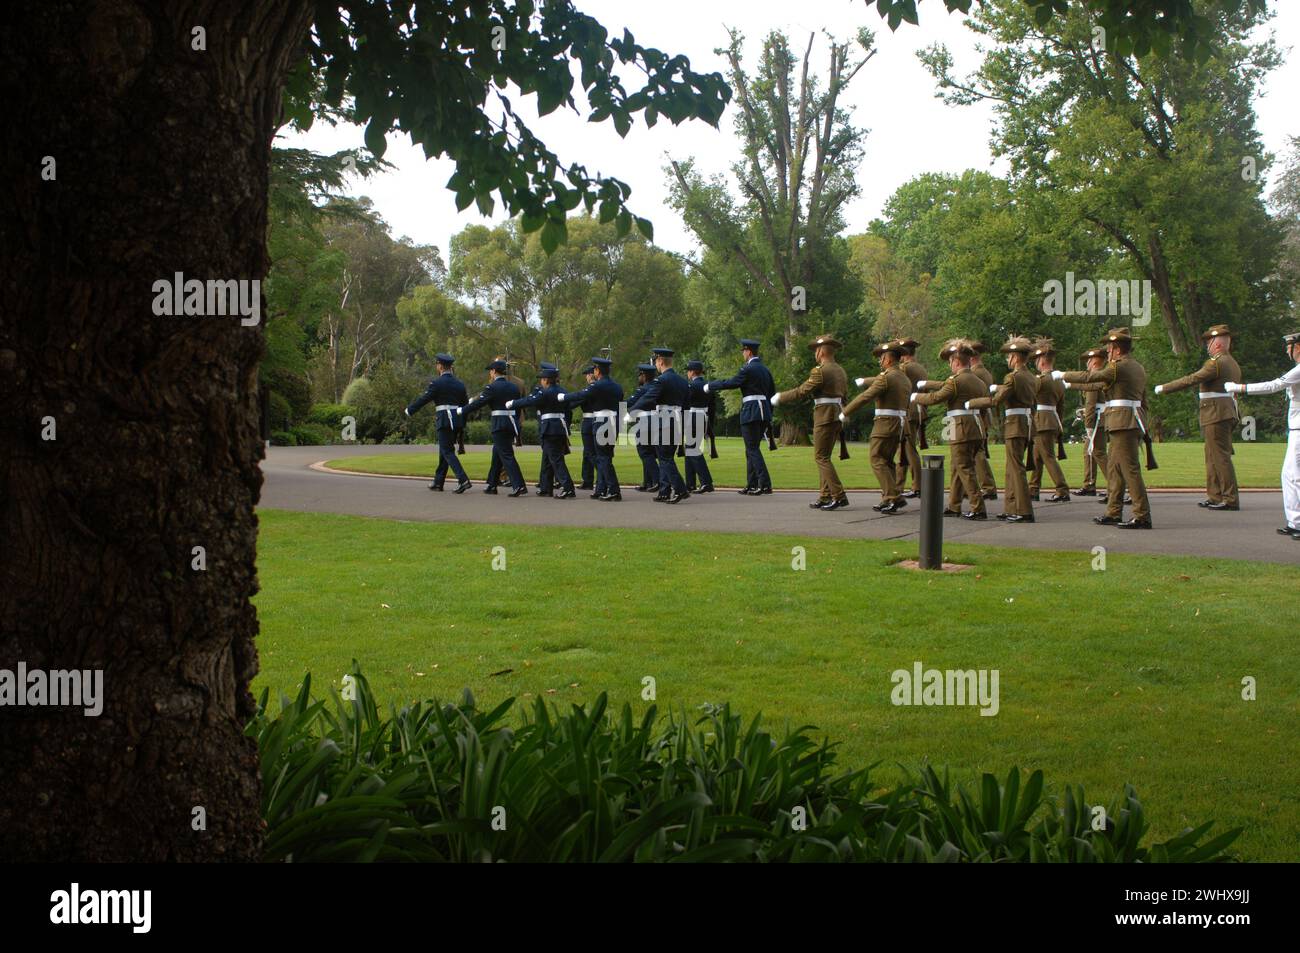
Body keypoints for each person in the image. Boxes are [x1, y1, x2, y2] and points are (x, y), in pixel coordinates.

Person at [1056, 327, 1152, 529]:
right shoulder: (1136, 367)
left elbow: (1091, 377)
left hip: (1124, 422)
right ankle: (1113, 512)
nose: (1107, 352)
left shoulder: (1118, 367)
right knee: (1114, 470)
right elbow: (1098, 386)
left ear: (1117, 349)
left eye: (1109, 348)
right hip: (1126, 422)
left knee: (1129, 470)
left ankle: (1142, 515)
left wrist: (1063, 374)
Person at [1154, 324, 1242, 511]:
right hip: (1221, 411)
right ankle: (1215, 495)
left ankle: (1229, 498)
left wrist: (1165, 388)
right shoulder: (1231, 362)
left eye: (1209, 342)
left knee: (1220, 457)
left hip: (1216, 413)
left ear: (1217, 344)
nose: (1207, 346)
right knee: (1212, 456)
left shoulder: (1216, 363)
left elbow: (1193, 379)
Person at [1224, 330, 1300, 539]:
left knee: (1295, 475)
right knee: (1289, 475)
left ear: (1298, 347)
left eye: (1289, 346)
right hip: (1295, 428)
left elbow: (1274, 385)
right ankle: (1295, 521)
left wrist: (1238, 387)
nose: (1287, 350)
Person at [913, 339, 988, 519]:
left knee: (964, 467)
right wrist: (927, 384)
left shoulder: (955, 381)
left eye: (950, 362)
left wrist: (916, 397)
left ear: (955, 361)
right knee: (957, 467)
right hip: (976, 427)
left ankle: (978, 507)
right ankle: (954, 505)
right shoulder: (978, 381)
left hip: (960, 427)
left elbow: (936, 398)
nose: (950, 365)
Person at [773, 334, 850, 510]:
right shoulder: (840, 370)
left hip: (824, 416)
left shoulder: (820, 371)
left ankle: (838, 495)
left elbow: (802, 391)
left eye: (816, 349)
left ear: (822, 351)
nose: (815, 353)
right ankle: (824, 495)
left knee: (821, 457)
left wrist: (780, 397)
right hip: (837, 414)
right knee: (825, 456)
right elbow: (845, 395)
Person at [968, 337, 1037, 523]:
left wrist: (972, 403)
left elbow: (996, 401)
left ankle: (1024, 510)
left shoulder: (1013, 377)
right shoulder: (1030, 377)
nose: (1008, 360)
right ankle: (1011, 506)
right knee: (1011, 468)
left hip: (1015, 424)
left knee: (1016, 469)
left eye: (1009, 357)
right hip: (1026, 423)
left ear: (1015, 358)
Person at [842, 340, 911, 513]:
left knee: (877, 459)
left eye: (881, 358)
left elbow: (866, 396)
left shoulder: (886, 377)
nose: (880, 361)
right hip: (899, 424)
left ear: (888, 359)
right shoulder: (904, 377)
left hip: (885, 423)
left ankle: (894, 496)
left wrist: (845, 412)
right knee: (887, 461)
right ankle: (889, 497)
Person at [705, 338, 775, 495]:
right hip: (763, 411)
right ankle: (752, 483)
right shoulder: (765, 370)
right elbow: (772, 393)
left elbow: (731, 383)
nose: (743, 354)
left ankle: (764, 484)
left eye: (743, 351)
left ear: (748, 351)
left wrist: (711, 386)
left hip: (751, 411)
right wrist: (769, 414)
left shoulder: (747, 369)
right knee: (751, 449)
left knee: (752, 449)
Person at [628, 347, 691, 503]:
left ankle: (680, 489)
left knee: (665, 458)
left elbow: (648, 398)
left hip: (664, 420)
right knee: (666, 457)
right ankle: (664, 490)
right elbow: (686, 405)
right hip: (677, 421)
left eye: (656, 360)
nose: (656, 364)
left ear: (661, 361)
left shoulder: (661, 380)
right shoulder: (683, 381)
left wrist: (631, 412)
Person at [403, 352, 471, 493]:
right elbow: (465, 406)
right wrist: (462, 424)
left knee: (447, 451)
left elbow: (424, 399)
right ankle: (438, 482)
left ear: (440, 366)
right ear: (450, 367)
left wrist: (410, 410)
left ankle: (463, 479)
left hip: (445, 421)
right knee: (444, 451)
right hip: (456, 422)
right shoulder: (460, 384)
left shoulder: (437, 383)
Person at [561, 357, 624, 500]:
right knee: (605, 457)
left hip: (601, 422)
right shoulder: (617, 387)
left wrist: (563, 397)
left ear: (597, 371)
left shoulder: (597, 386)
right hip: (613, 422)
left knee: (602, 458)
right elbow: (622, 407)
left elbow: (580, 395)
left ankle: (613, 490)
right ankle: (602, 488)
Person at [508, 365, 576, 499]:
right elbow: (568, 410)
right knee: (547, 459)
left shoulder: (545, 393)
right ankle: (546, 487)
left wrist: (513, 403)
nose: (541, 382)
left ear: (546, 380)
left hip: (550, 429)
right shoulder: (563, 391)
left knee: (556, 459)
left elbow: (529, 401)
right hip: (559, 428)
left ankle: (568, 487)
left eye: (542, 379)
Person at [463, 359, 527, 496]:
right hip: (511, 422)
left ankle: (519, 485)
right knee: (497, 453)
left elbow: (479, 403)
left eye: (490, 371)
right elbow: (518, 406)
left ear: (493, 372)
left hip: (500, 423)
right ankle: (492, 484)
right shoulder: (513, 387)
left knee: (506, 455)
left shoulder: (492, 387)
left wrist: (462, 411)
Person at [1028, 338, 1071, 503]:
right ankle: (1033, 488)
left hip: (1042, 421)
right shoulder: (1059, 380)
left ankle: (1062, 489)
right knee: (1037, 457)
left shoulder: (1041, 380)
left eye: (1037, 361)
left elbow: (1030, 396)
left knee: (1047, 456)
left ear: (1041, 361)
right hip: (1052, 420)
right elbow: (1061, 406)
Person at [1071, 348, 1109, 498]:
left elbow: (1091, 404)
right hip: (1097, 418)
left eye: (1089, 360)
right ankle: (1089, 484)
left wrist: (1088, 425)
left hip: (1097, 421)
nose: (1087, 363)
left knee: (1099, 453)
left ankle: (1114, 486)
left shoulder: (1095, 377)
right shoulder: (1101, 376)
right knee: (1089, 452)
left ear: (1094, 361)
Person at [895, 339, 927, 498]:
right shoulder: (920, 368)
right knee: (904, 448)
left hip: (909, 410)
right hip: (918, 409)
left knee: (908, 448)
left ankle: (917, 486)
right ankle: (898, 485)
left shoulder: (904, 368)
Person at [969, 342, 999, 500]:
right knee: (977, 453)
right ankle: (983, 486)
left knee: (977, 453)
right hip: (982, 415)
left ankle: (987, 487)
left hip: (977, 415)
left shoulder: (976, 373)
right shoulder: (983, 371)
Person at [627, 362, 660, 493]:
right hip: (656, 421)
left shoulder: (643, 389)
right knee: (650, 453)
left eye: (640, 375)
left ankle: (657, 480)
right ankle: (648, 482)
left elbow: (630, 402)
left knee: (644, 452)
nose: (638, 378)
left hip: (645, 421)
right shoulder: (657, 386)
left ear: (644, 376)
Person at [684, 360, 716, 493]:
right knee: (689, 450)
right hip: (704, 417)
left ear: (692, 372)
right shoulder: (708, 385)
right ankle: (690, 483)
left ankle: (706, 482)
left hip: (693, 417)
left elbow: (685, 403)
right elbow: (712, 407)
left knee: (692, 449)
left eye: (688, 371)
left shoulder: (692, 386)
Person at [576, 363, 597, 490]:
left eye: (587, 375)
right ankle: (587, 480)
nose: (586, 378)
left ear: (591, 375)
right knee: (588, 453)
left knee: (591, 453)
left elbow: (577, 400)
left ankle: (600, 477)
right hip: (600, 422)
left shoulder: (590, 390)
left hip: (590, 422)